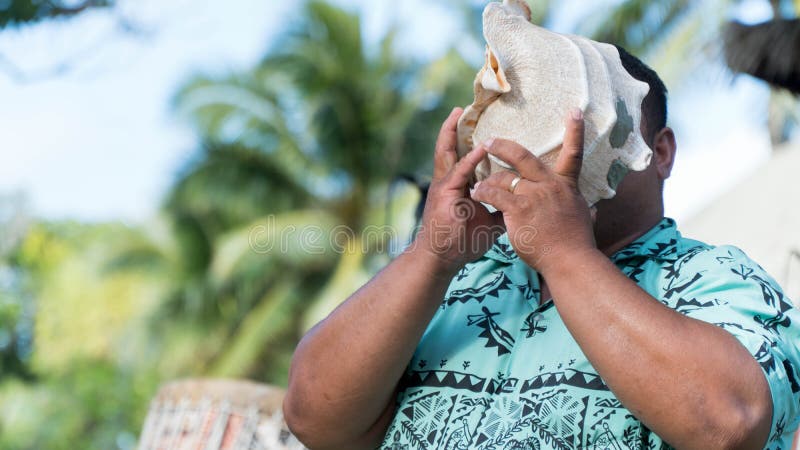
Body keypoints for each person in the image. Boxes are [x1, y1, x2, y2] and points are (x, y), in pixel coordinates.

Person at [282, 47, 800, 449]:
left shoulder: (714, 277)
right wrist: (431, 255)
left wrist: (566, 255)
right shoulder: (448, 283)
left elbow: (729, 423)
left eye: (590, 123)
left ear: (660, 152)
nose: (559, 148)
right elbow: (311, 416)